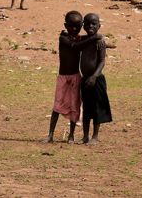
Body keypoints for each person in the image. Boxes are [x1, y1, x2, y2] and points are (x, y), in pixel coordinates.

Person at [42, 11, 105, 144]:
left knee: (74, 106)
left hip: (76, 77)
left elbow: (91, 42)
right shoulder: (64, 39)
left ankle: (71, 135)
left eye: (77, 27)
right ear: (65, 25)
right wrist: (96, 38)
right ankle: (50, 135)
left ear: (81, 26)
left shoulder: (81, 38)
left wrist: (99, 38)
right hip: (63, 78)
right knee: (57, 106)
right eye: (71, 26)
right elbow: (76, 47)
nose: (74, 29)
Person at [80, 13, 112, 145]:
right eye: (87, 24)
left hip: (96, 79)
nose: (90, 26)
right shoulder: (84, 40)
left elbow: (102, 62)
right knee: (86, 108)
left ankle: (95, 136)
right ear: (83, 26)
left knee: (97, 108)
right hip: (85, 79)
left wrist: (94, 76)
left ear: (99, 25)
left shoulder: (100, 43)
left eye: (94, 24)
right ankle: (85, 136)